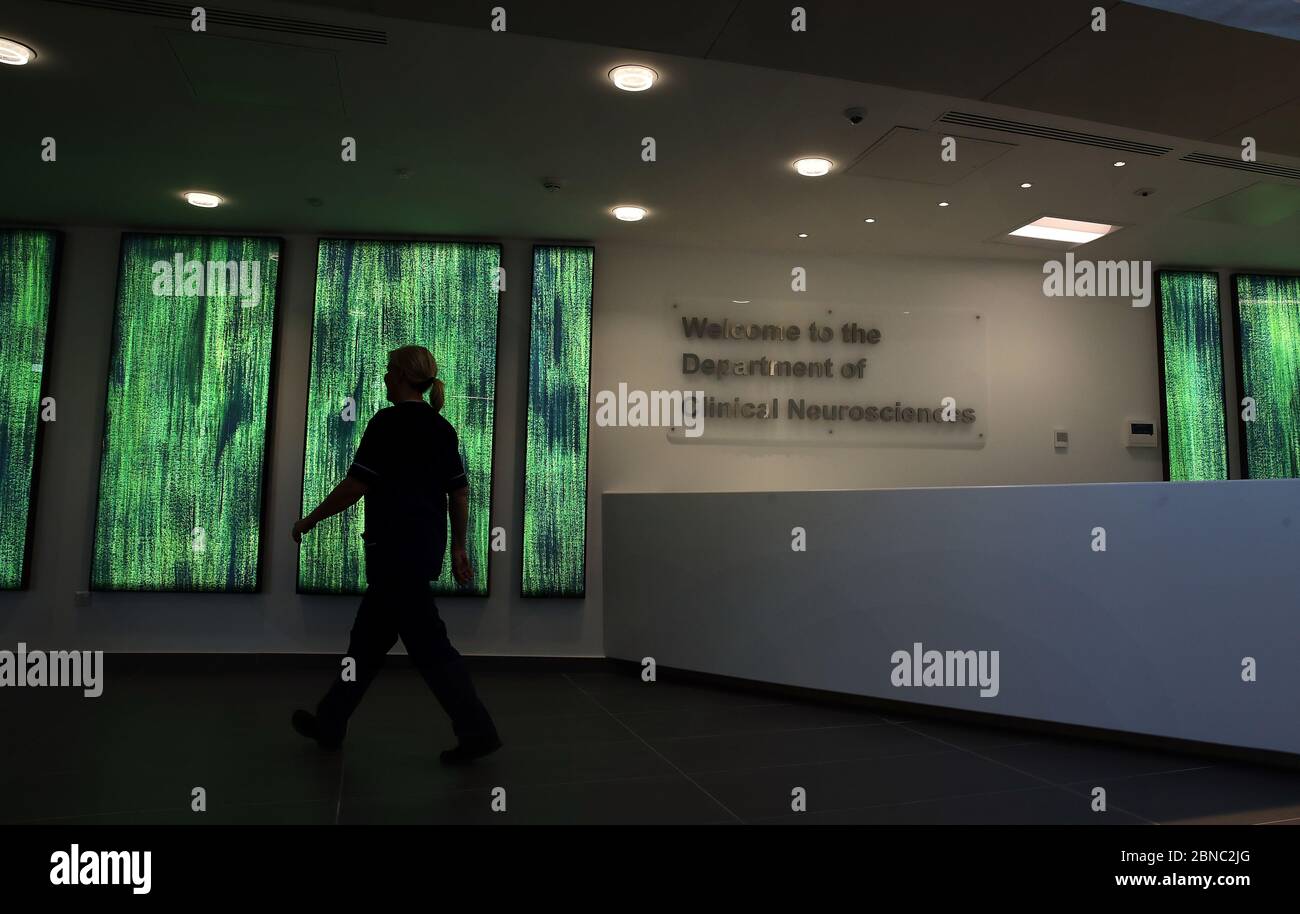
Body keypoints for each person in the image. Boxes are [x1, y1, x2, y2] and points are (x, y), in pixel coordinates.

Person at [290, 345, 501, 765]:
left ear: (403, 375)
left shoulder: (386, 425)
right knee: (367, 644)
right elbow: (458, 492)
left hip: (392, 554)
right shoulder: (441, 430)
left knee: (430, 650)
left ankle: (477, 732)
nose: (385, 377)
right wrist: (459, 546)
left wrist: (309, 520)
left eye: (389, 371)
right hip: (421, 552)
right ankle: (330, 722)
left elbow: (356, 486)